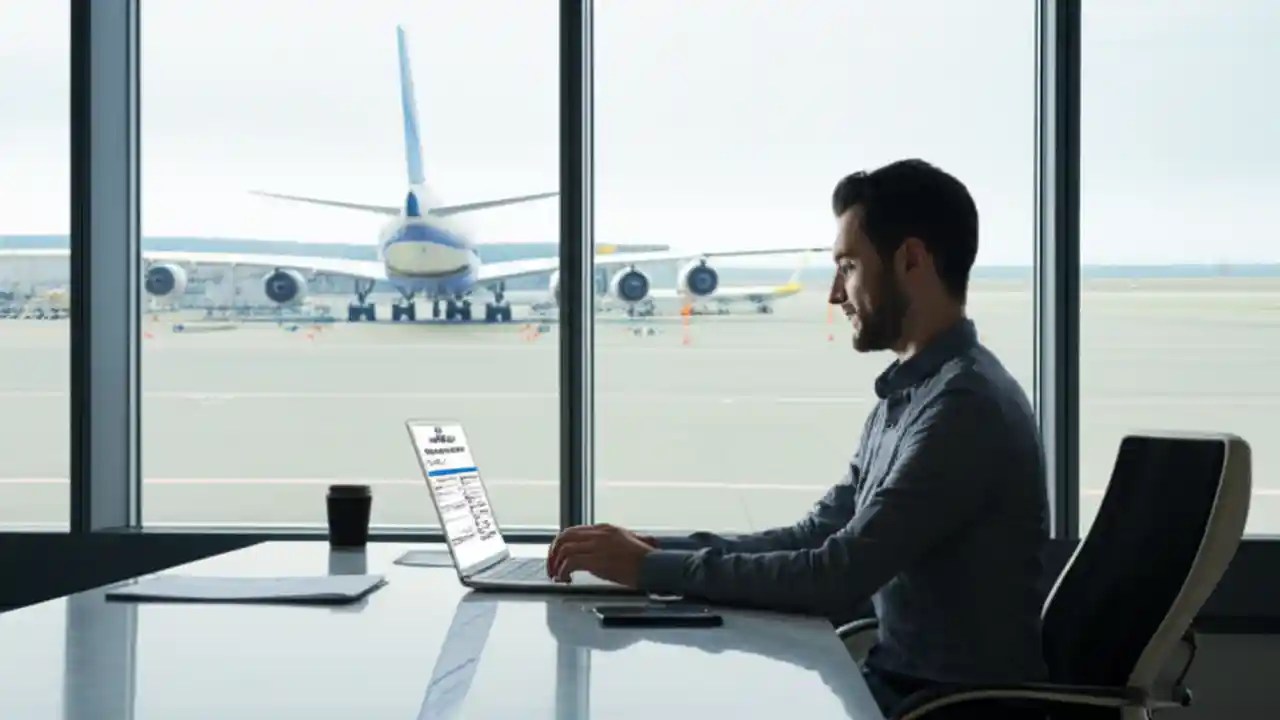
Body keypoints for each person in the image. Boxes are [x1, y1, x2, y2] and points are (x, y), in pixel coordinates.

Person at [546, 158, 1049, 716]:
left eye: (850, 266)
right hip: (891, 690)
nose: (837, 294)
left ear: (910, 260)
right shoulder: (912, 396)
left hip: (938, 709)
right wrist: (656, 550)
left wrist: (647, 571)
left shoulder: (965, 408)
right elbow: (817, 533)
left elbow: (836, 575)